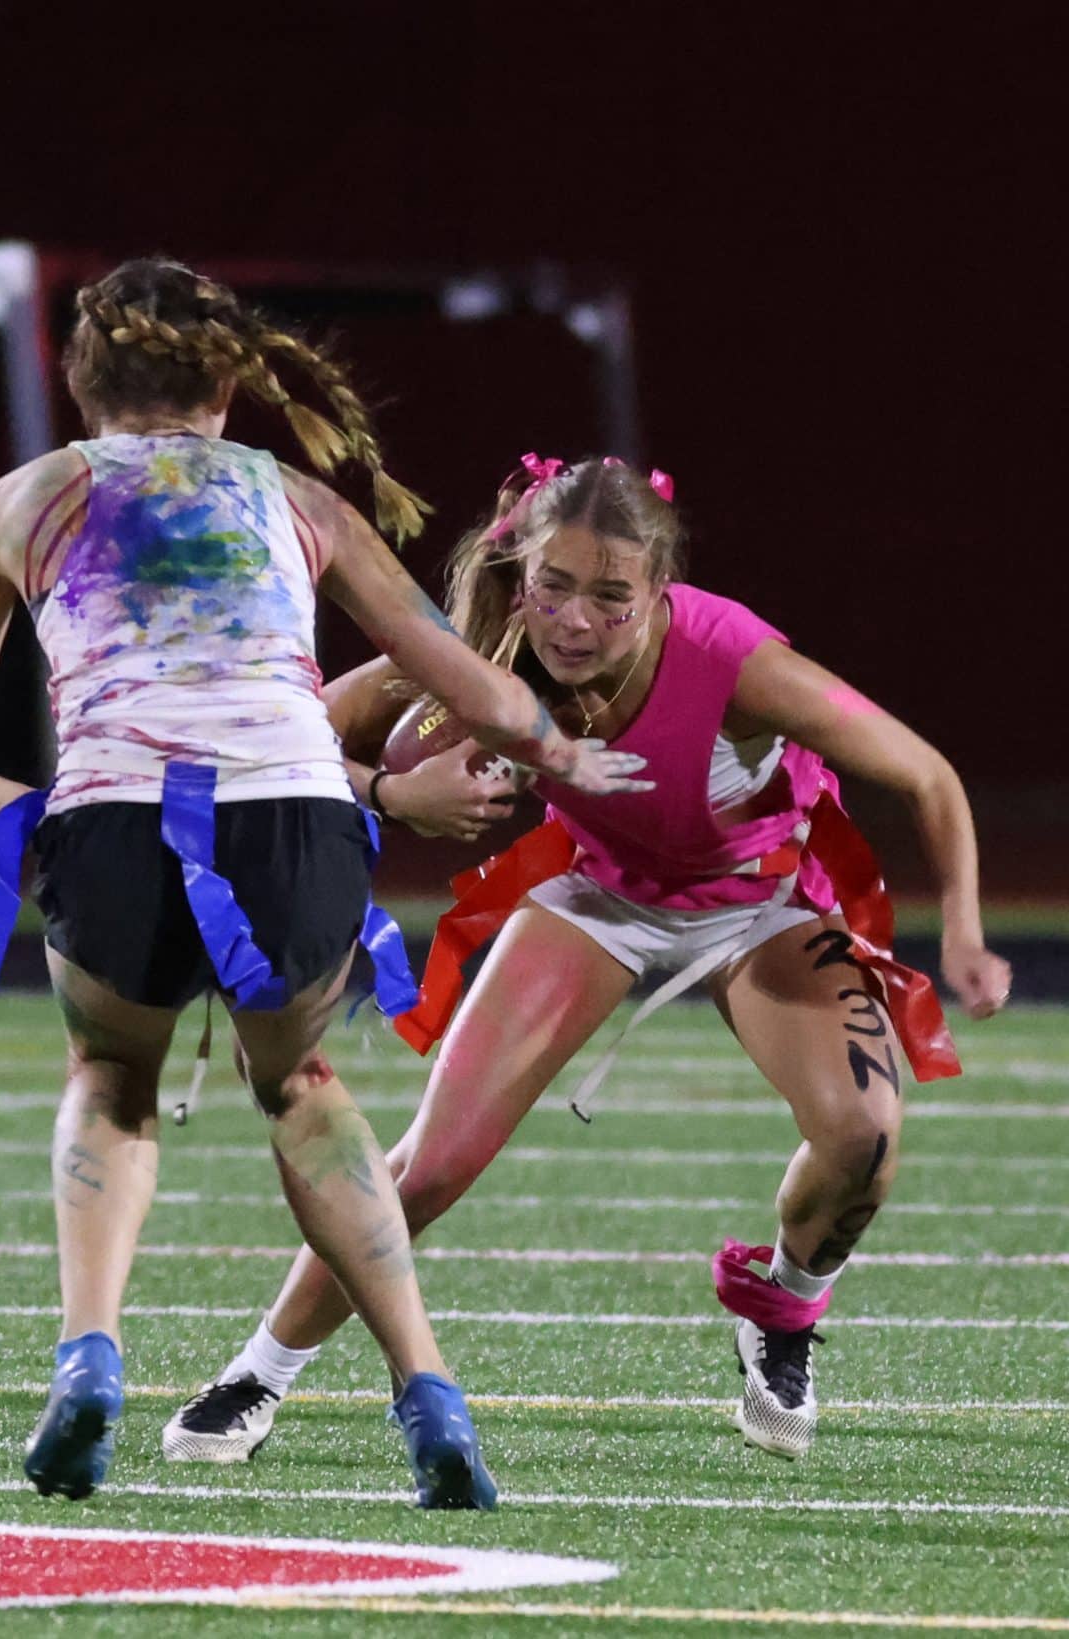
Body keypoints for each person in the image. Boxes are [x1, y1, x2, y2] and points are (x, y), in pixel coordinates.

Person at [0, 261, 648, 1506]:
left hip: (116, 820)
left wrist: (39, 838)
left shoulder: (14, 503)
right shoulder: (294, 499)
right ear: (230, 383)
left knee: (110, 1079)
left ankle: (89, 1355)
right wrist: (561, 752)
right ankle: (425, 1390)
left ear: (77, 381)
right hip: (297, 817)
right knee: (299, 1087)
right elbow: (466, 684)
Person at [161, 454, 1011, 1464]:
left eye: (609, 597)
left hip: (759, 900)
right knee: (429, 1165)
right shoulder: (477, 647)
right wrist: (390, 793)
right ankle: (254, 1375)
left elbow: (926, 773)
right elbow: (273, 730)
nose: (571, 619)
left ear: (658, 591)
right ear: (519, 572)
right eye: (552, 586)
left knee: (863, 1136)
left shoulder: (733, 660)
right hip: (600, 896)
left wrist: (959, 926)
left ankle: (779, 1308)